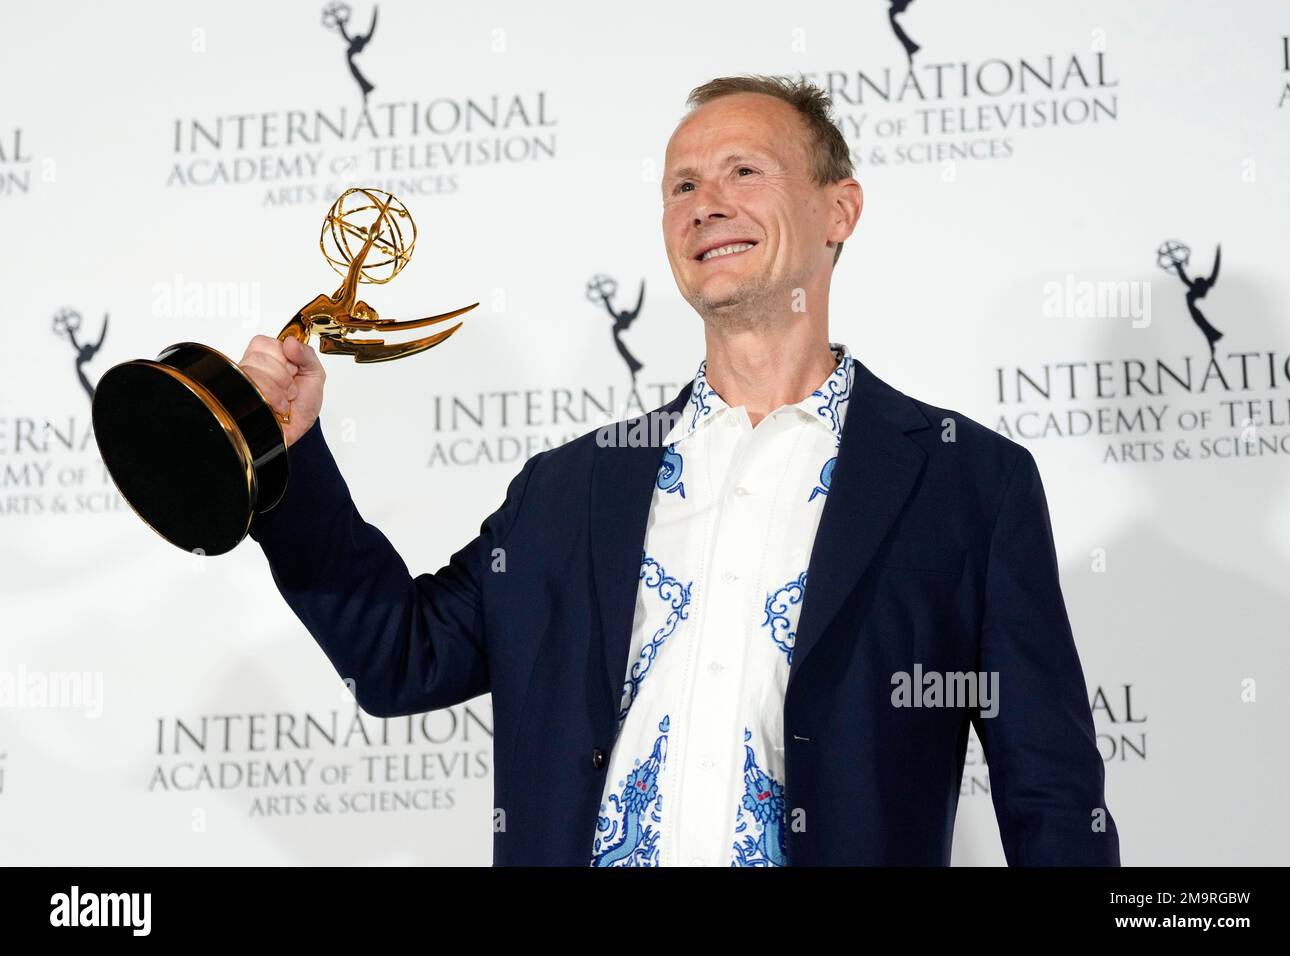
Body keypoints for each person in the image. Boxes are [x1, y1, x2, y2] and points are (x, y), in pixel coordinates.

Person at [238, 74, 1120, 867]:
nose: (706, 204)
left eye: (744, 172)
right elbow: (401, 657)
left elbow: (1049, 797)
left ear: (839, 211)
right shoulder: (570, 490)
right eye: (682, 187)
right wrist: (285, 455)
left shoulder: (967, 484)